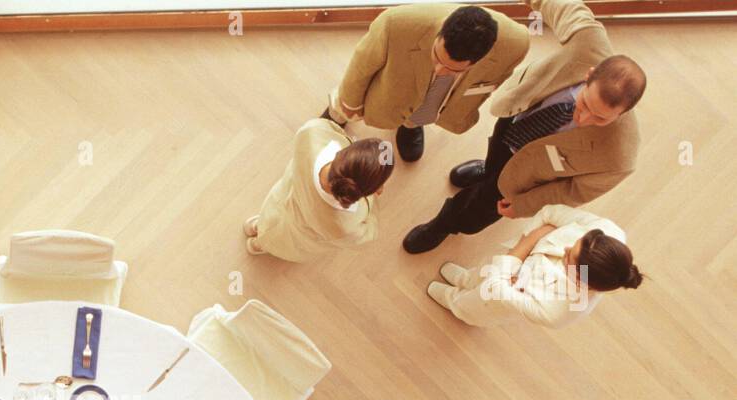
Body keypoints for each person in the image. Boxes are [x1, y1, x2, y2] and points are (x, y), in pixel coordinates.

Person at [404, 0, 645, 253]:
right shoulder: (589, 42)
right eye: (585, 104)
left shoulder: (619, 158)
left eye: (600, 118)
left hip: (526, 176)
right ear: (589, 75)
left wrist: (525, 204)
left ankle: (446, 224)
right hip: (516, 119)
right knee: (496, 147)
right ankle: (489, 169)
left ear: (624, 112)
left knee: (475, 216)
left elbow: (573, 192)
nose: (583, 119)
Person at [325, 4, 528, 163]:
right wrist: (350, 103)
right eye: (437, 58)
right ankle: (335, 114)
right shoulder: (394, 24)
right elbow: (362, 66)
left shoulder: (515, 45)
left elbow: (490, 85)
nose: (440, 71)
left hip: (432, 102)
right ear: (441, 33)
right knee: (342, 104)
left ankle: (410, 124)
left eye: (453, 69)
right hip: (392, 86)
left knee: (424, 108)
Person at [426, 204, 641, 327]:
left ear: (582, 280)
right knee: (480, 272)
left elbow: (495, 290)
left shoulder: (558, 311)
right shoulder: (606, 231)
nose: (565, 249)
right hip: (507, 265)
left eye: (569, 259)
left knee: (473, 305)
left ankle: (454, 302)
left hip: (495, 300)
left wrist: (524, 250)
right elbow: (550, 214)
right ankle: (466, 280)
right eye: (573, 246)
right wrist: (524, 246)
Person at [244, 122, 394, 259]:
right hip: (300, 237)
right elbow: (367, 235)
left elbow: (332, 127)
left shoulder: (313, 134)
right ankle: (258, 244)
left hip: (283, 199)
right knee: (281, 243)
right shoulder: (346, 224)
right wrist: (371, 202)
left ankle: (258, 229)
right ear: (369, 190)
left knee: (271, 219)